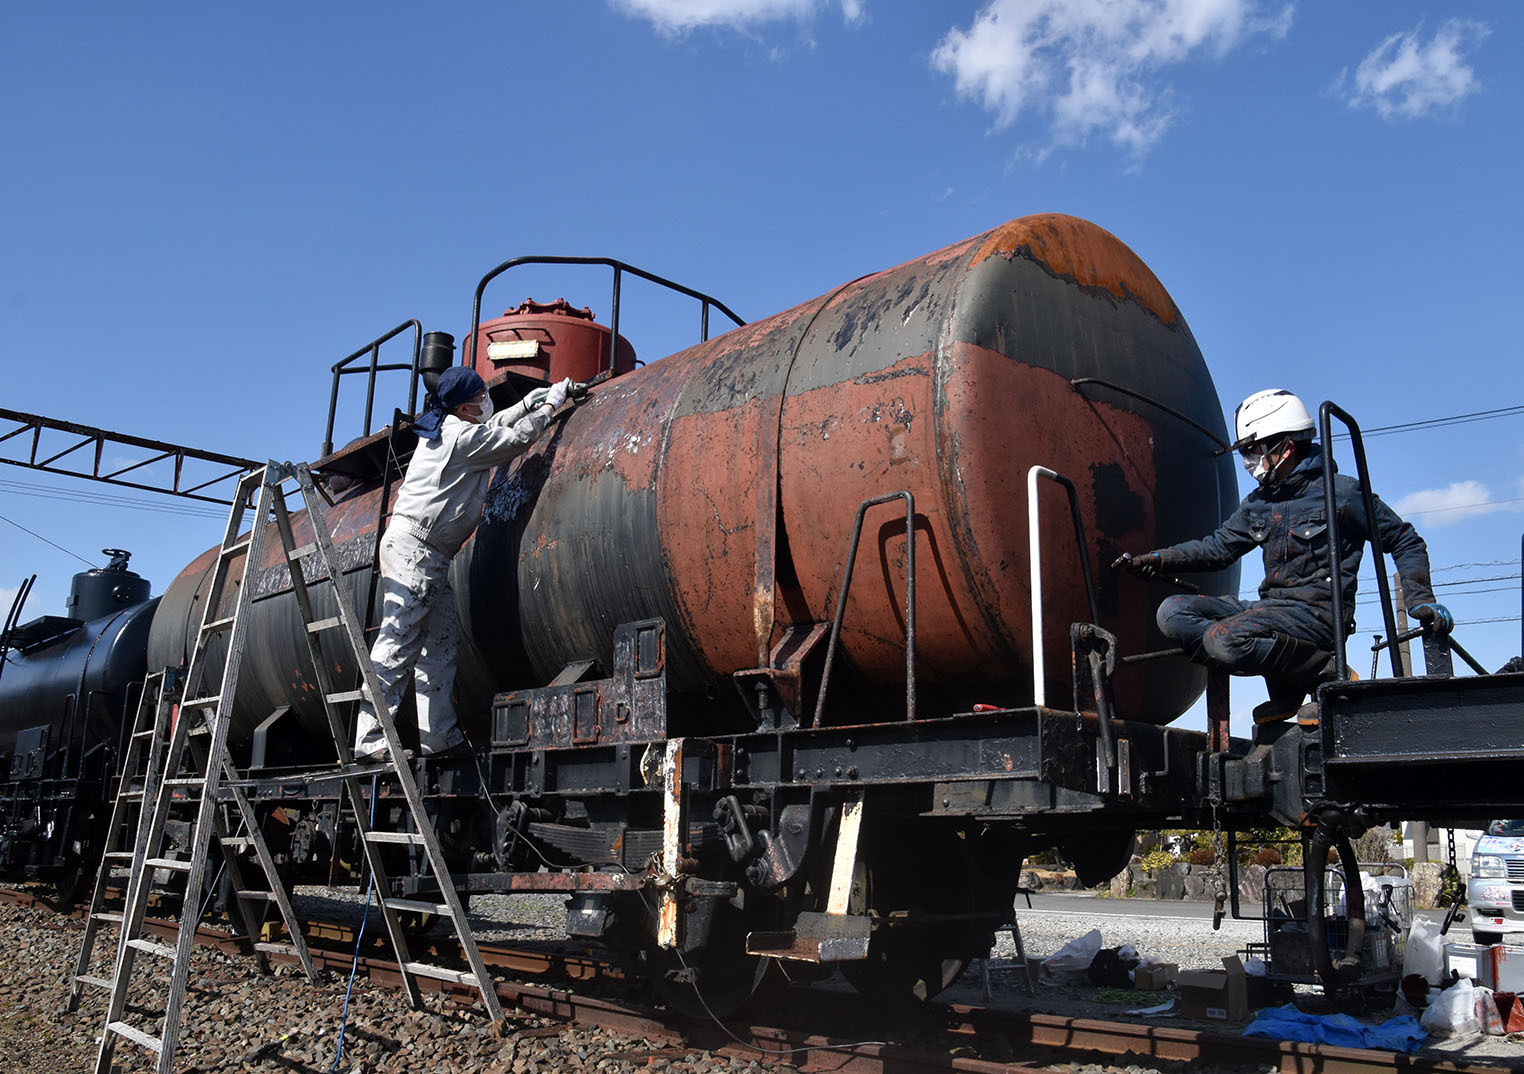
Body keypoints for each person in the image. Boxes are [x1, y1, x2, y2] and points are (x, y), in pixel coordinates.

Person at [1113, 388, 1452, 725]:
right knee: (1172, 613)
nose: (1248, 462)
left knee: (1224, 641)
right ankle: (1294, 684)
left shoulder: (1341, 494)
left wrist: (1420, 598)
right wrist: (1157, 558)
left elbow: (1404, 539)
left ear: (1286, 447)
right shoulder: (1260, 503)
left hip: (1316, 616)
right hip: (1269, 610)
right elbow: (1216, 548)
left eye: (1252, 450)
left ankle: (1325, 671)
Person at [352, 365, 573, 760]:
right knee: (399, 640)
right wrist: (549, 408)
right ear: (466, 405)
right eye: (480, 397)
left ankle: (437, 735)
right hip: (417, 552)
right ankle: (369, 739)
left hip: (425, 553)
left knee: (440, 641)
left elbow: (491, 429)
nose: (486, 401)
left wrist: (524, 402)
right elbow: (509, 441)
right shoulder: (459, 437)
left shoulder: (448, 428)